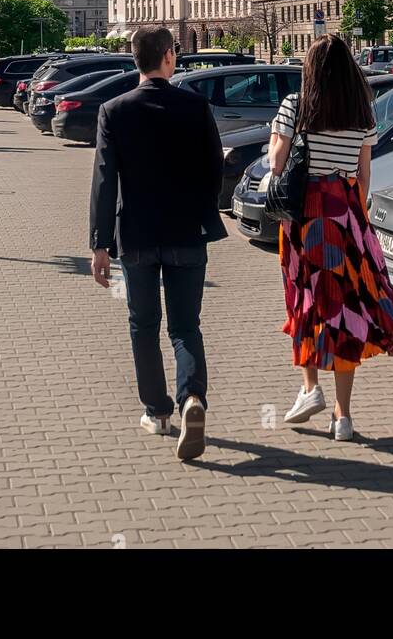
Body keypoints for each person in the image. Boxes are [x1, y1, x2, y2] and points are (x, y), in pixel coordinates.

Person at [268, 34, 393, 443]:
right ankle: (343, 418)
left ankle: (310, 391)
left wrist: (278, 137)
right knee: (344, 310)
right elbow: (364, 176)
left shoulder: (296, 107)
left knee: (306, 298)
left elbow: (276, 162)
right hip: (346, 213)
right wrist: (353, 219)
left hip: (305, 214)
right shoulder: (363, 113)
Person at [89, 23, 226, 462]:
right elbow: (214, 170)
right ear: (169, 56)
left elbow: (104, 181)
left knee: (143, 326)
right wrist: (200, 211)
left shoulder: (114, 110)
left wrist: (99, 244)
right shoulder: (195, 106)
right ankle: (192, 401)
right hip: (187, 233)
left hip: (138, 236)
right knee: (186, 327)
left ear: (135, 59)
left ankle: (158, 411)